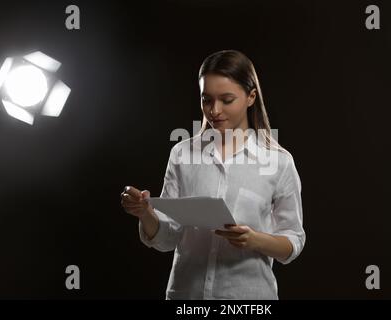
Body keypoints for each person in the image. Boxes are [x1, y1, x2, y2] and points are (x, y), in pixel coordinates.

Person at [121, 50, 305, 300]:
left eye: (226, 100)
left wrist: (254, 240)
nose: (214, 110)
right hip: (186, 297)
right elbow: (167, 238)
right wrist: (145, 213)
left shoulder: (278, 162)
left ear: (251, 97)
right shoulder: (182, 154)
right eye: (206, 100)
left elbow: (292, 241)